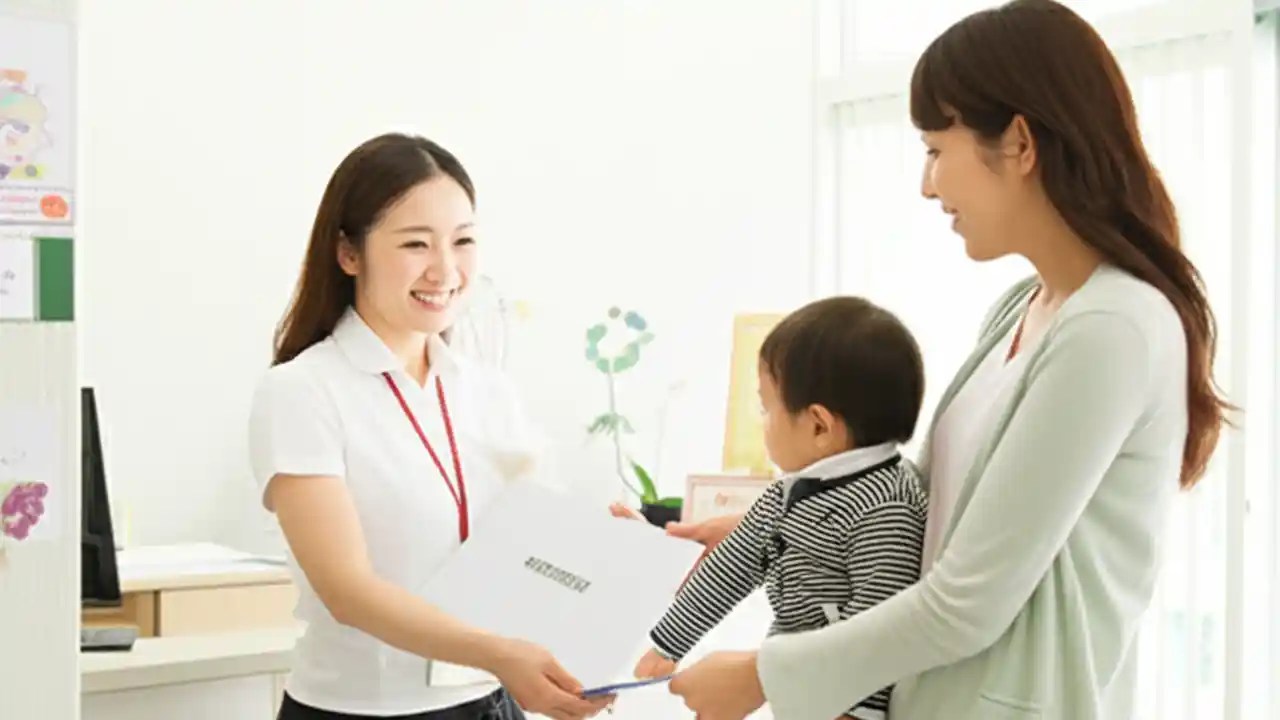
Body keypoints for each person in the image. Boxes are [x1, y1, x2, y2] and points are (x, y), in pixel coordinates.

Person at [658, 2, 1229, 719]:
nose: (927, 185)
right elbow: (923, 511)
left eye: (934, 149)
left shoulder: (1111, 329)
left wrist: (764, 675)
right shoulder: (1024, 308)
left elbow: (968, 602)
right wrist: (792, 529)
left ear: (1018, 143)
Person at [248, 133, 612, 720]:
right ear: (348, 253)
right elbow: (347, 592)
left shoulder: (486, 388)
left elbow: (527, 546)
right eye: (416, 243)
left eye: (463, 241)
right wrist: (497, 653)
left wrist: (615, 550)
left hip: (491, 702)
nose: (445, 270)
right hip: (363, 711)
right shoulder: (302, 391)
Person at [631, 296, 928, 720]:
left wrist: (852, 713)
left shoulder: (886, 506)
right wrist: (669, 642)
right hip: (796, 685)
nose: (762, 422)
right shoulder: (790, 491)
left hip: (842, 700)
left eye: (766, 408)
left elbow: (880, 628)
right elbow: (730, 566)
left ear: (819, 427)